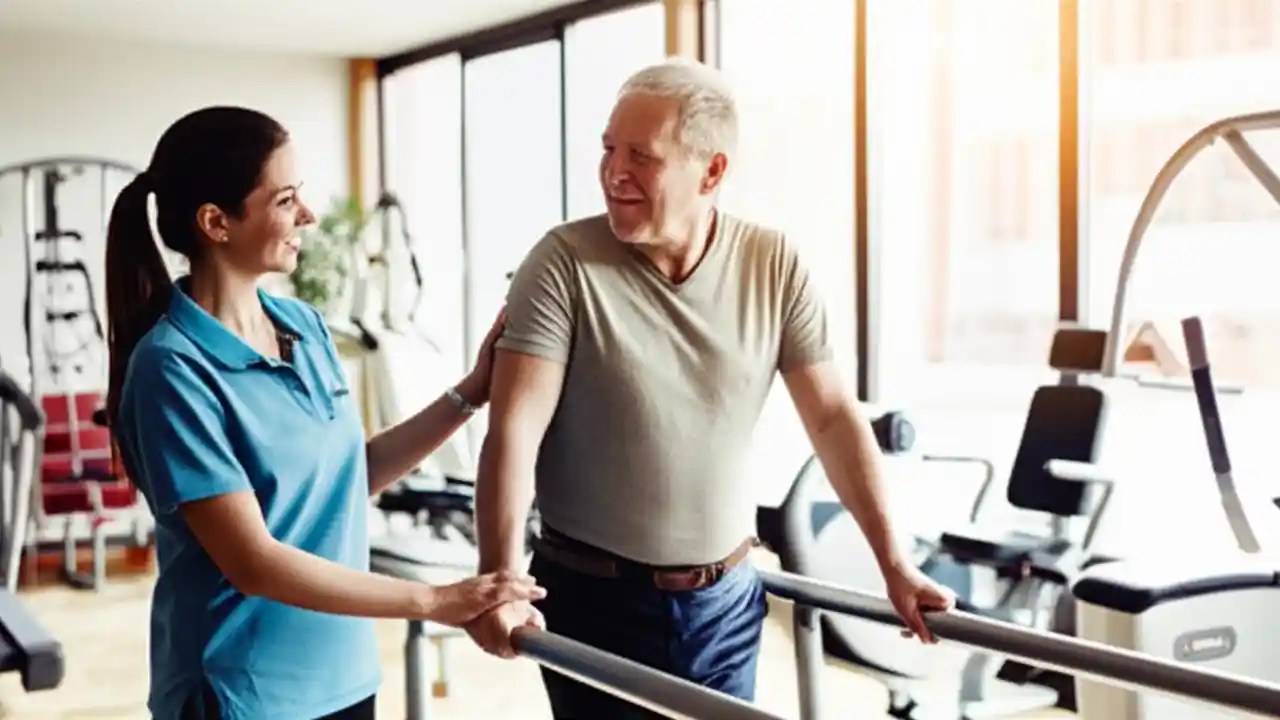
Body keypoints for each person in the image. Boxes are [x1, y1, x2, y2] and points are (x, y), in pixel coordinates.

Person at [463, 58, 957, 717]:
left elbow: (834, 418)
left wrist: (894, 565)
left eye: (641, 156)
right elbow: (514, 432)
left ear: (712, 171)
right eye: (609, 149)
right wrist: (500, 582)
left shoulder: (772, 264)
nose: (614, 172)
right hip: (592, 599)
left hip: (724, 603)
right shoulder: (562, 263)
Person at [102, 106, 546, 720]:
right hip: (243, 693)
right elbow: (253, 562)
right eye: (285, 200)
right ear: (216, 222)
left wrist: (472, 392)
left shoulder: (304, 328)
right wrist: (436, 600)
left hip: (343, 675)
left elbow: (350, 474)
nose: (307, 215)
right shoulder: (172, 368)